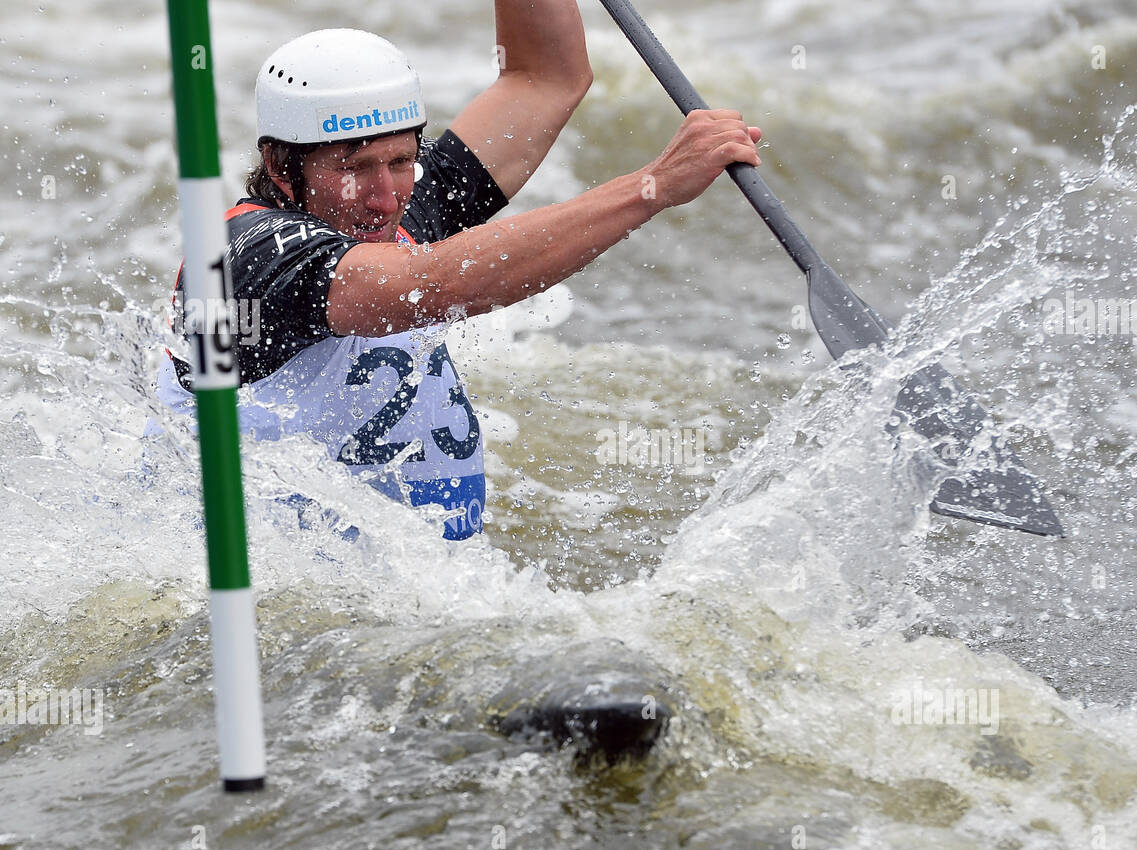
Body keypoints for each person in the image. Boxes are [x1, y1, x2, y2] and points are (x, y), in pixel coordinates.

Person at [156, 5, 762, 541]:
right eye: (356, 167)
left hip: (420, 588)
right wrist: (651, 187)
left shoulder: (394, 210)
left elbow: (545, 77)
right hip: (279, 598)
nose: (385, 198)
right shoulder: (250, 255)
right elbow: (431, 286)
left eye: (401, 160)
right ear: (281, 166)